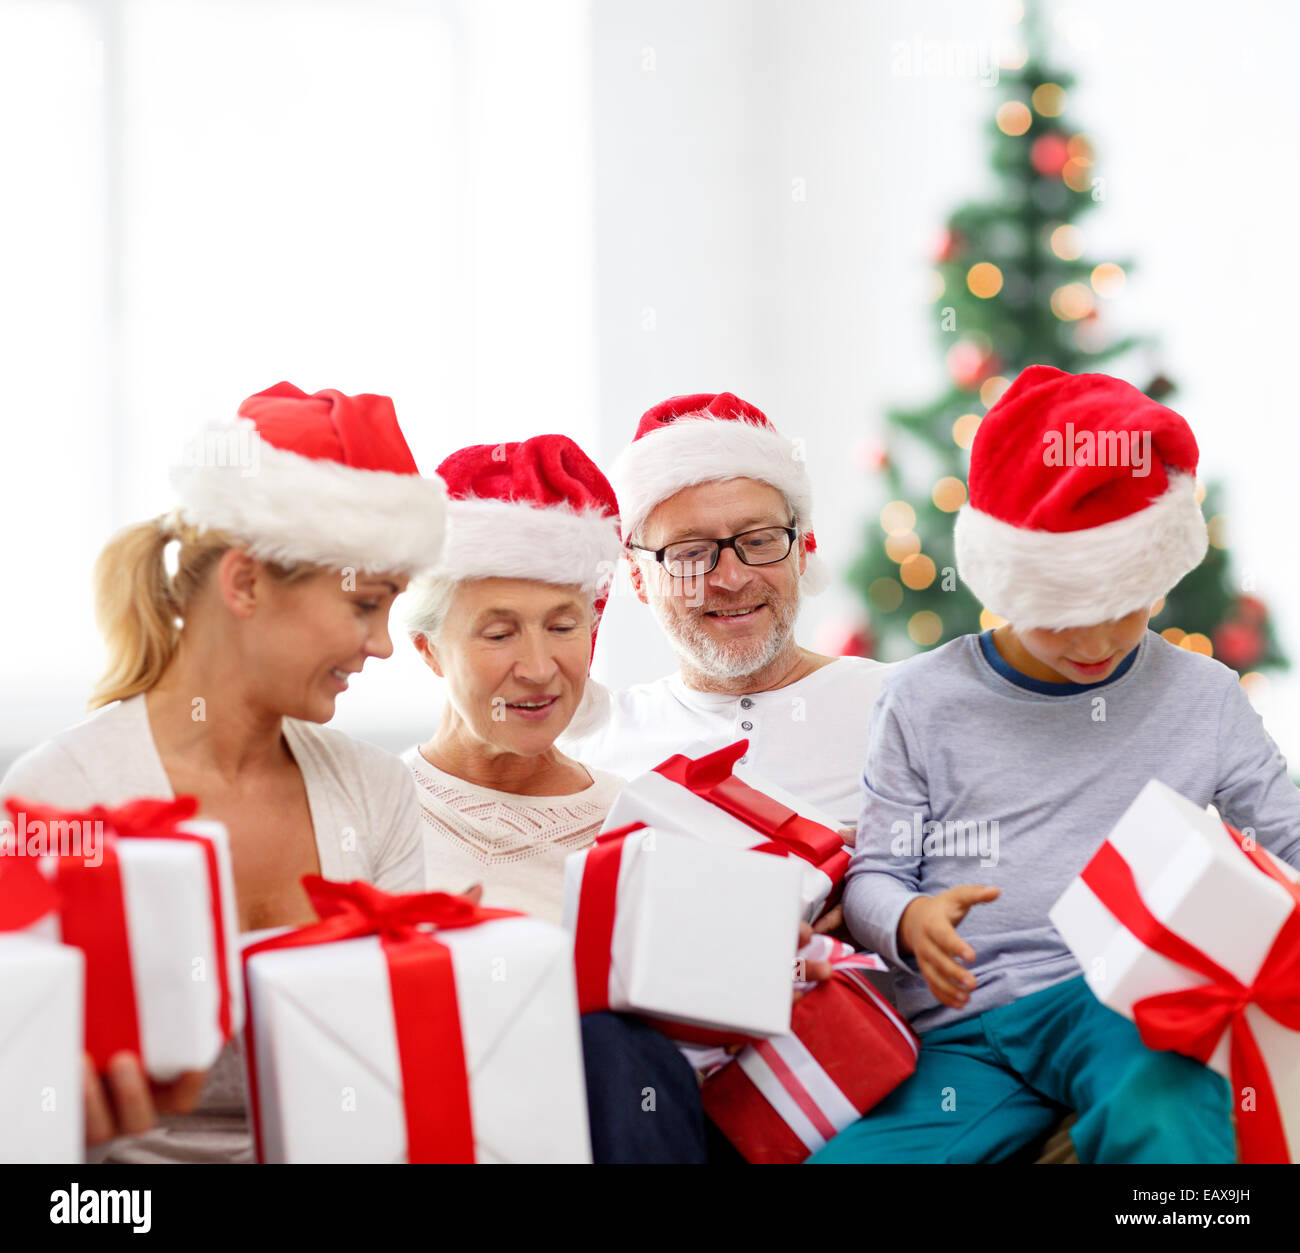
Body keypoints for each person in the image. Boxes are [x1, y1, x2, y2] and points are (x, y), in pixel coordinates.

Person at [811, 365, 1300, 1164]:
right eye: (1062, 618)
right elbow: (874, 876)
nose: (1099, 642)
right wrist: (909, 919)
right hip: (963, 1033)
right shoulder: (922, 700)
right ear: (1005, 581)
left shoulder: (1204, 698)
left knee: (1169, 1115)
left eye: (1129, 607)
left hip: (1122, 1005)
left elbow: (1289, 846)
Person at [0, 382, 447, 1162]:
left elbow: (396, 1074)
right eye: (365, 604)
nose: (381, 644)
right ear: (244, 583)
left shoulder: (376, 793)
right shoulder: (58, 796)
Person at [401, 434, 831, 1163]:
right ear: (429, 649)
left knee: (612, 1042)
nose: (539, 668)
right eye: (499, 631)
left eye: (565, 626)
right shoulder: (375, 810)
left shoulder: (640, 820)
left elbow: (697, 1041)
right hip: (450, 1129)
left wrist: (764, 964)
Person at [559, 392, 891, 835]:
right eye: (691, 553)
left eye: (759, 541)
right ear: (638, 578)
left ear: (802, 553)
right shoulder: (593, 749)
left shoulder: (898, 706)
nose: (732, 579)